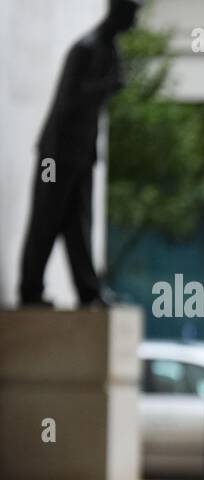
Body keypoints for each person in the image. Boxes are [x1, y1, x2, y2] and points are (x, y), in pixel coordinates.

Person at [19, 0, 140, 307]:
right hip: (55, 156)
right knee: (45, 218)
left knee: (79, 224)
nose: (135, 20)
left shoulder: (111, 51)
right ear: (117, 12)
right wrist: (107, 86)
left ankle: (89, 291)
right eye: (132, 13)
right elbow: (68, 102)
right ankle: (30, 289)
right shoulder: (84, 49)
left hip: (81, 155)